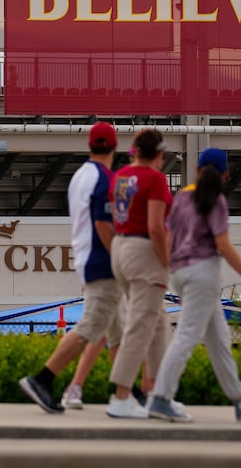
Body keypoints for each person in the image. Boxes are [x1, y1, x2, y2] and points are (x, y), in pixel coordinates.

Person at [147, 148, 241, 423]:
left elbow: (168, 236)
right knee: (187, 337)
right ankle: (160, 398)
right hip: (203, 274)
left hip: (181, 272)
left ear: (196, 171)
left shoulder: (182, 197)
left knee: (219, 339)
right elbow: (223, 245)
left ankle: (240, 400)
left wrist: (171, 273)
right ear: (225, 174)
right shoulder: (216, 200)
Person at [20, 122, 125, 413]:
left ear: (91, 145)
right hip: (103, 262)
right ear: (115, 148)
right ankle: (42, 378)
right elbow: (104, 224)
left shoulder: (79, 176)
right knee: (90, 327)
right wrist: (121, 258)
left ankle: (124, 396)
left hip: (85, 256)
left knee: (119, 329)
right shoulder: (105, 179)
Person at [105, 128, 174, 419]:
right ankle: (121, 396)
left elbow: (113, 215)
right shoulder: (156, 179)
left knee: (158, 323)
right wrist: (166, 260)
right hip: (145, 251)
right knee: (139, 326)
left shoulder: (120, 175)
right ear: (159, 153)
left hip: (120, 247)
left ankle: (156, 393)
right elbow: (156, 226)